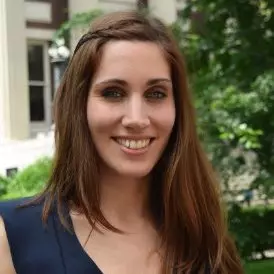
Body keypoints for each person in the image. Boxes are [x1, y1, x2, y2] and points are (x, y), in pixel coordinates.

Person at [0, 10, 243, 274]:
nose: (137, 119)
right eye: (113, 93)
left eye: (156, 93)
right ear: (80, 105)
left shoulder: (202, 236)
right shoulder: (12, 237)